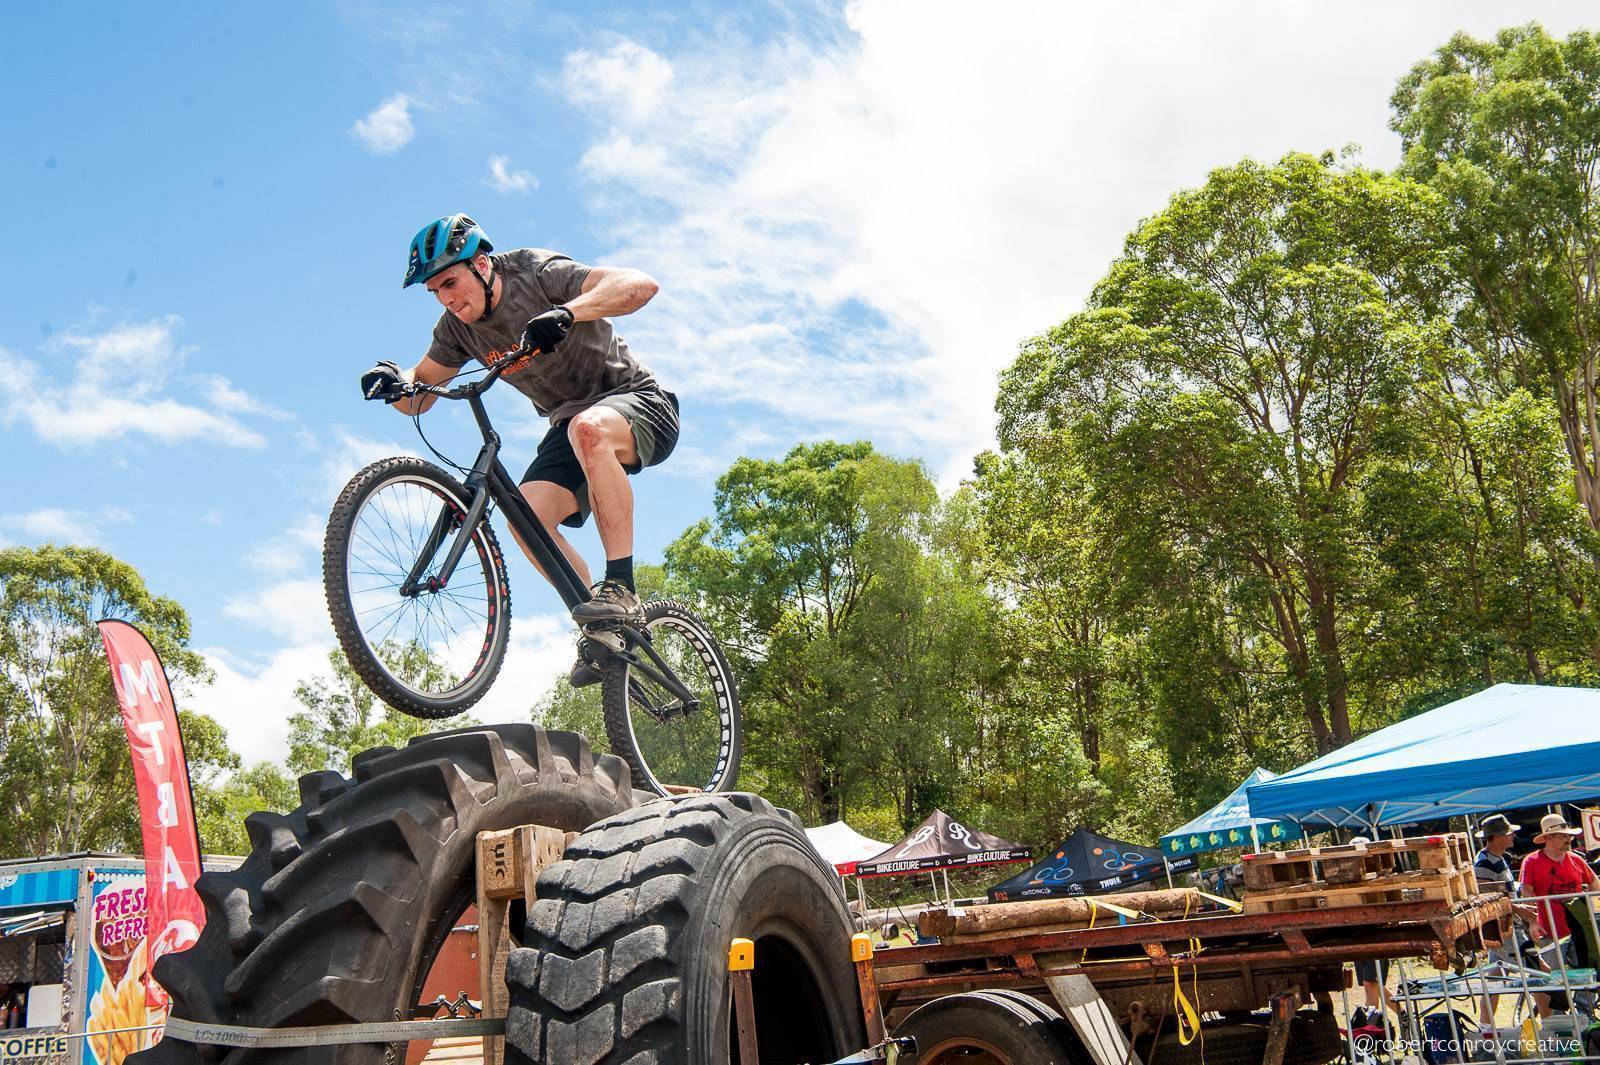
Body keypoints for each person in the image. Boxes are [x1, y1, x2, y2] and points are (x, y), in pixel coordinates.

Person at [362, 214, 678, 687]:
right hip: (569, 424)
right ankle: (602, 624)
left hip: (640, 402)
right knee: (525, 518)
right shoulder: (455, 329)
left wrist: (570, 311)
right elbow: (422, 394)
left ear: (483, 264)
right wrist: (394, 383)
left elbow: (639, 285)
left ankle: (621, 587)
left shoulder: (534, 272)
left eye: (451, 282)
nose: (447, 298)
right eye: (436, 292)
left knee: (588, 429)